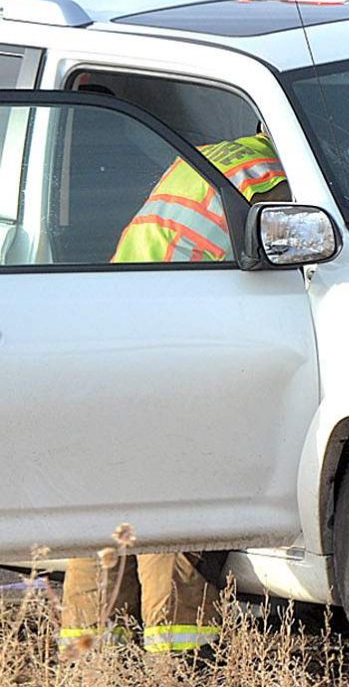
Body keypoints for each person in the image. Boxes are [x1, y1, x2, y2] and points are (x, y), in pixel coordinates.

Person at [60, 132, 288, 657]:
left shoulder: (231, 154)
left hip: (110, 334)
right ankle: (179, 673)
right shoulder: (281, 179)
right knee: (177, 518)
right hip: (170, 349)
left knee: (106, 509)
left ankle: (91, 669)